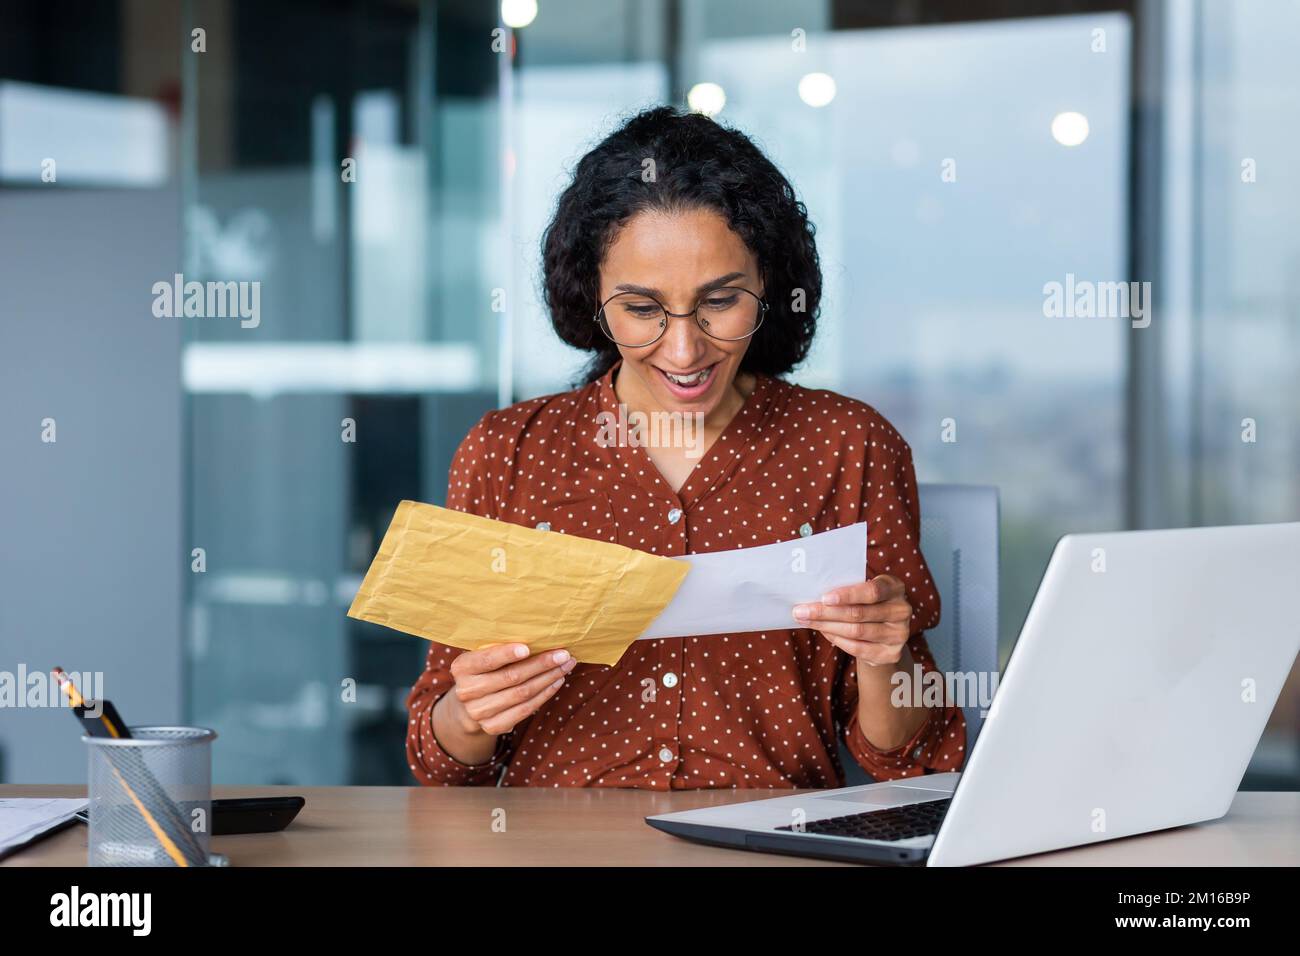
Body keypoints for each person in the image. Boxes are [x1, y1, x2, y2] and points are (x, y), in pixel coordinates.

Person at [406, 105, 965, 789]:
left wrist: (885, 657)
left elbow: (907, 754)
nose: (683, 349)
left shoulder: (845, 445)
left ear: (768, 283)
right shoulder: (506, 453)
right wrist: (471, 715)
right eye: (642, 309)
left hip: (771, 844)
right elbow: (439, 759)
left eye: (721, 302)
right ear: (591, 297)